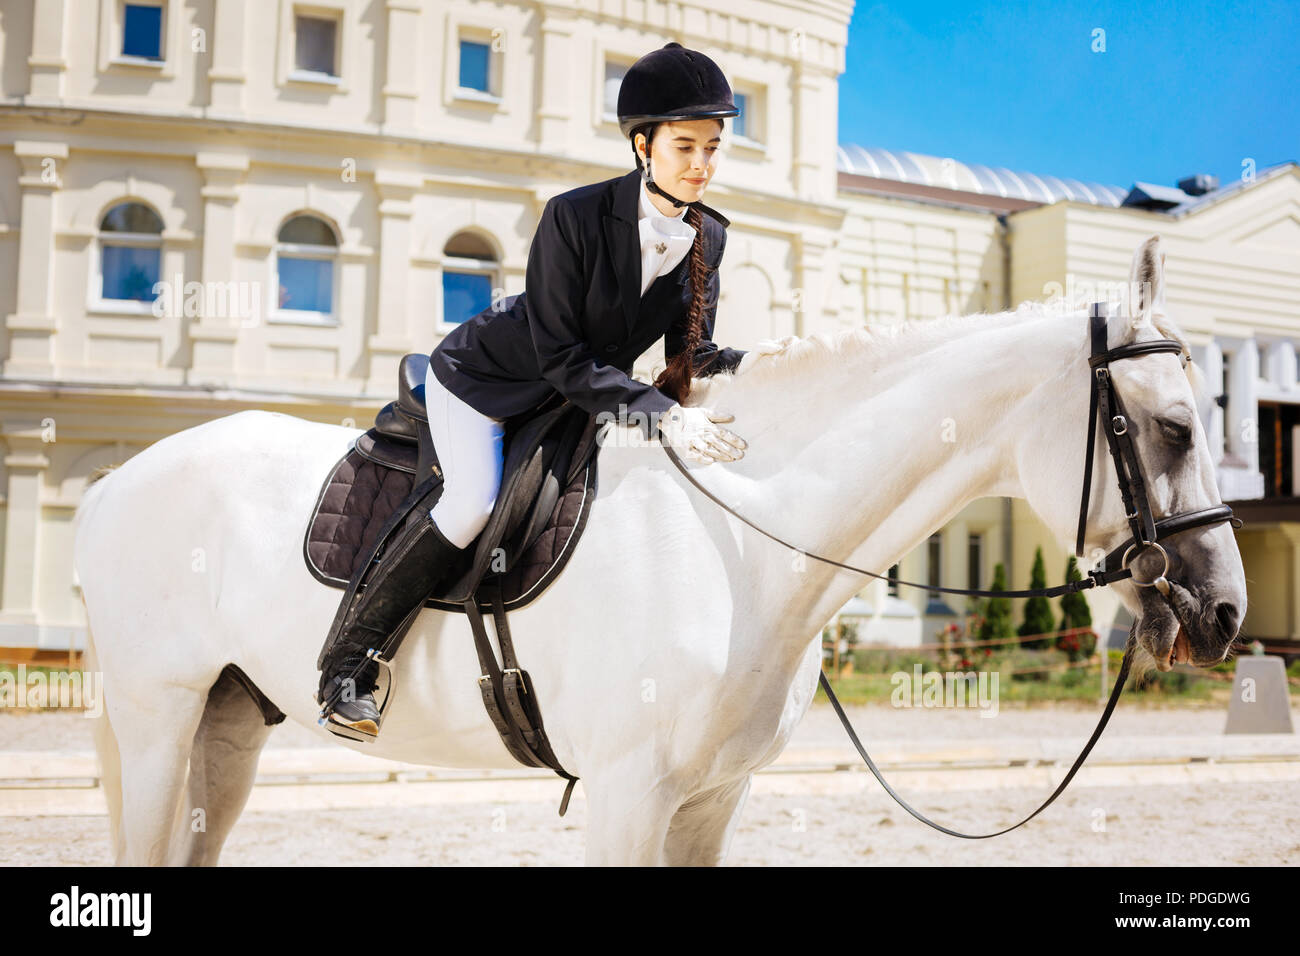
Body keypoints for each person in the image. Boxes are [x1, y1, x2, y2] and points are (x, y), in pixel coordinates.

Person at [319, 41, 751, 735]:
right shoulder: (573, 217)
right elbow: (559, 355)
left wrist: (758, 367)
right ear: (644, 146)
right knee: (470, 503)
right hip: (487, 382)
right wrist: (657, 415)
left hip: (576, 400)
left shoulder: (709, 238)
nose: (701, 164)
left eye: (712, 146)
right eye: (684, 147)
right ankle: (349, 666)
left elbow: (691, 351)